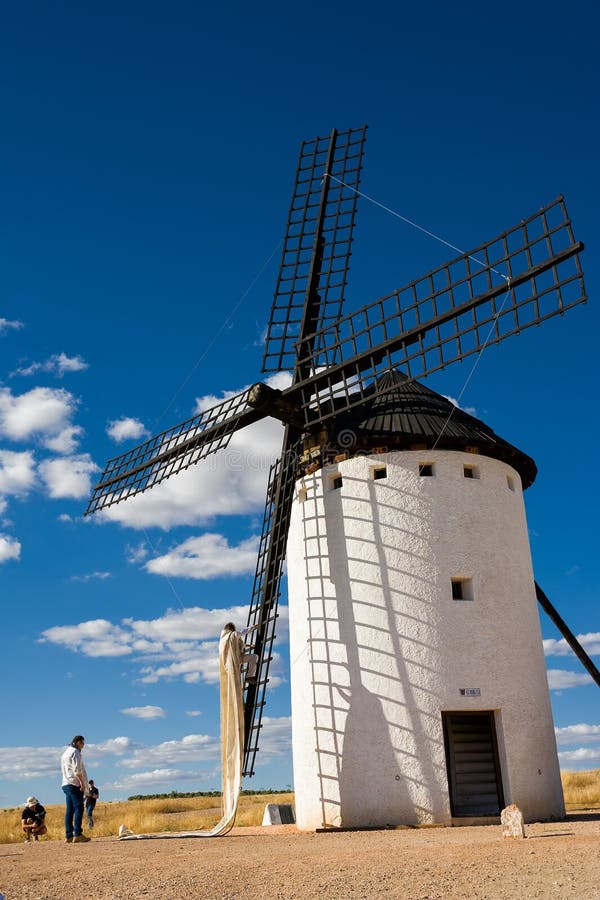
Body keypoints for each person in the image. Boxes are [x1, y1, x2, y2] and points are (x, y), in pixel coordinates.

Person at [60, 735, 91, 843]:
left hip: (66, 783)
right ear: (78, 742)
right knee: (79, 808)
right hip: (74, 783)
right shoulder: (75, 752)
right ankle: (77, 834)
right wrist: (82, 783)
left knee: (70, 810)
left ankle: (68, 835)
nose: (83, 746)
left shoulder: (65, 752)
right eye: (82, 743)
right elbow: (77, 770)